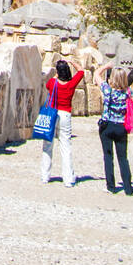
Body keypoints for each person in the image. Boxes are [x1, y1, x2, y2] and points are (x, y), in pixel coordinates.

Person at [41, 57, 85, 187]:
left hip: (52, 114)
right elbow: (81, 71)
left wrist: (56, 75)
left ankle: (45, 176)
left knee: (47, 145)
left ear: (58, 72)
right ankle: (68, 179)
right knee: (66, 146)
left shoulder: (53, 82)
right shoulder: (71, 84)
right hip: (65, 114)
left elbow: (48, 85)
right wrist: (72, 62)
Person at [94, 64, 133, 195]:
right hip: (121, 126)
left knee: (108, 156)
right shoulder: (128, 92)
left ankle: (111, 186)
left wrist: (106, 66)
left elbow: (96, 74)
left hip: (107, 125)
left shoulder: (107, 89)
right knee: (123, 158)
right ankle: (128, 188)